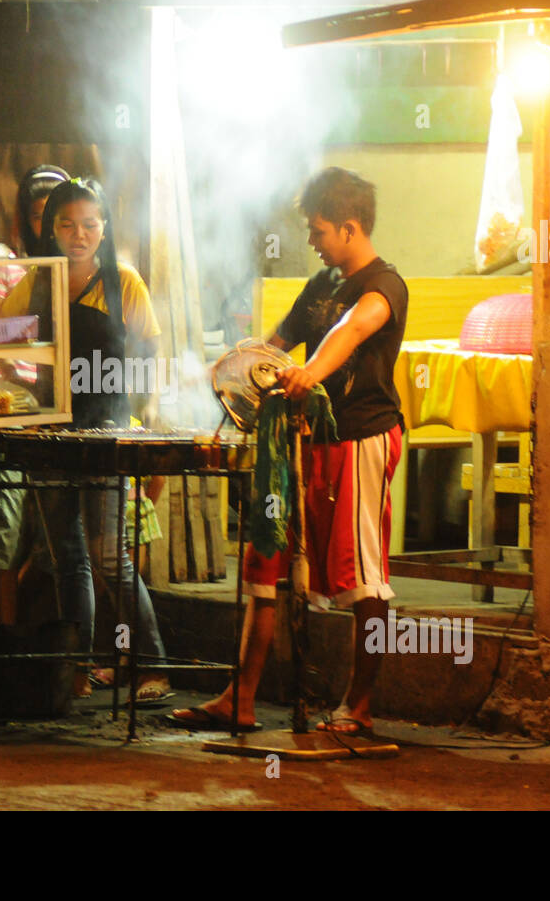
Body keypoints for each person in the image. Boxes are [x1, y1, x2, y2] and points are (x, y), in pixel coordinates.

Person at [170, 167, 407, 733]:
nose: (310, 241)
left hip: (360, 441)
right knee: (267, 564)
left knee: (361, 576)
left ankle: (360, 706)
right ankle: (240, 698)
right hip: (301, 445)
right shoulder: (319, 284)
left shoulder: (385, 285)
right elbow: (270, 347)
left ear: (350, 228)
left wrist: (307, 374)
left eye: (319, 231)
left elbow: (351, 330)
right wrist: (223, 372)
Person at [2, 177, 172, 701]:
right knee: (69, 559)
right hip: (50, 431)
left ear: (104, 230)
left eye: (90, 226)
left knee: (107, 557)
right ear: (51, 229)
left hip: (106, 432)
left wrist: (144, 426)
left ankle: (153, 666)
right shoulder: (36, 281)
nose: (79, 235)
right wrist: (13, 391)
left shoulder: (124, 282)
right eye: (67, 225)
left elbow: (150, 359)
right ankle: (78, 669)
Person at [0, 164, 68, 624]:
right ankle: (6, 645)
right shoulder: (4, 268)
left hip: (59, 419)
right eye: (40, 217)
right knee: (4, 535)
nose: (50, 227)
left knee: (61, 545)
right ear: (23, 222)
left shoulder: (79, 274)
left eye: (60, 216)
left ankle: (38, 642)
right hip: (5, 416)